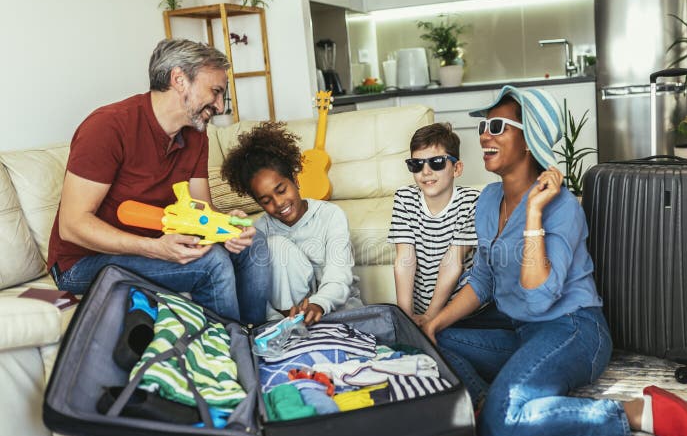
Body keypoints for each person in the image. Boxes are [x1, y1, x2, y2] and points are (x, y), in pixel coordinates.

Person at [421, 85, 687, 436]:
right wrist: (433, 322)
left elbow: (539, 296)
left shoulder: (561, 207)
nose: (483, 136)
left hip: (573, 330)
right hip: (520, 331)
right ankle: (484, 404)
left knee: (504, 425)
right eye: (482, 127)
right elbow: (484, 278)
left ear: (529, 140)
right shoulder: (489, 199)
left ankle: (636, 411)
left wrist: (533, 213)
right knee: (435, 342)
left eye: (497, 126)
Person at [48, 39, 270, 325]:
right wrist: (154, 248)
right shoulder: (107, 127)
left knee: (254, 244)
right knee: (211, 263)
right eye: (215, 92)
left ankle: (256, 340)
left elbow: (202, 211)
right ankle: (229, 354)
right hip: (80, 263)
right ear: (179, 79)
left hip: (157, 242)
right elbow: (72, 226)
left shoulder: (195, 134)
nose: (219, 105)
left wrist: (227, 226)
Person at [220, 121, 362, 326]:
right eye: (266, 201)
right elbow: (259, 292)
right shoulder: (261, 229)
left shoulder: (331, 215)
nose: (278, 204)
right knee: (271, 245)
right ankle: (293, 328)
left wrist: (318, 304)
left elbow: (339, 275)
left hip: (335, 308)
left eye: (281, 190)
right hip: (289, 319)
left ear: (295, 180)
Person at [388, 123, 480, 326]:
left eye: (437, 162)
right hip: (420, 305)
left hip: (457, 309)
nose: (426, 171)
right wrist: (406, 318)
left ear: (456, 168)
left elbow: (452, 263)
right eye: (417, 164)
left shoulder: (471, 202)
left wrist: (432, 316)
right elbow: (405, 260)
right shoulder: (405, 198)